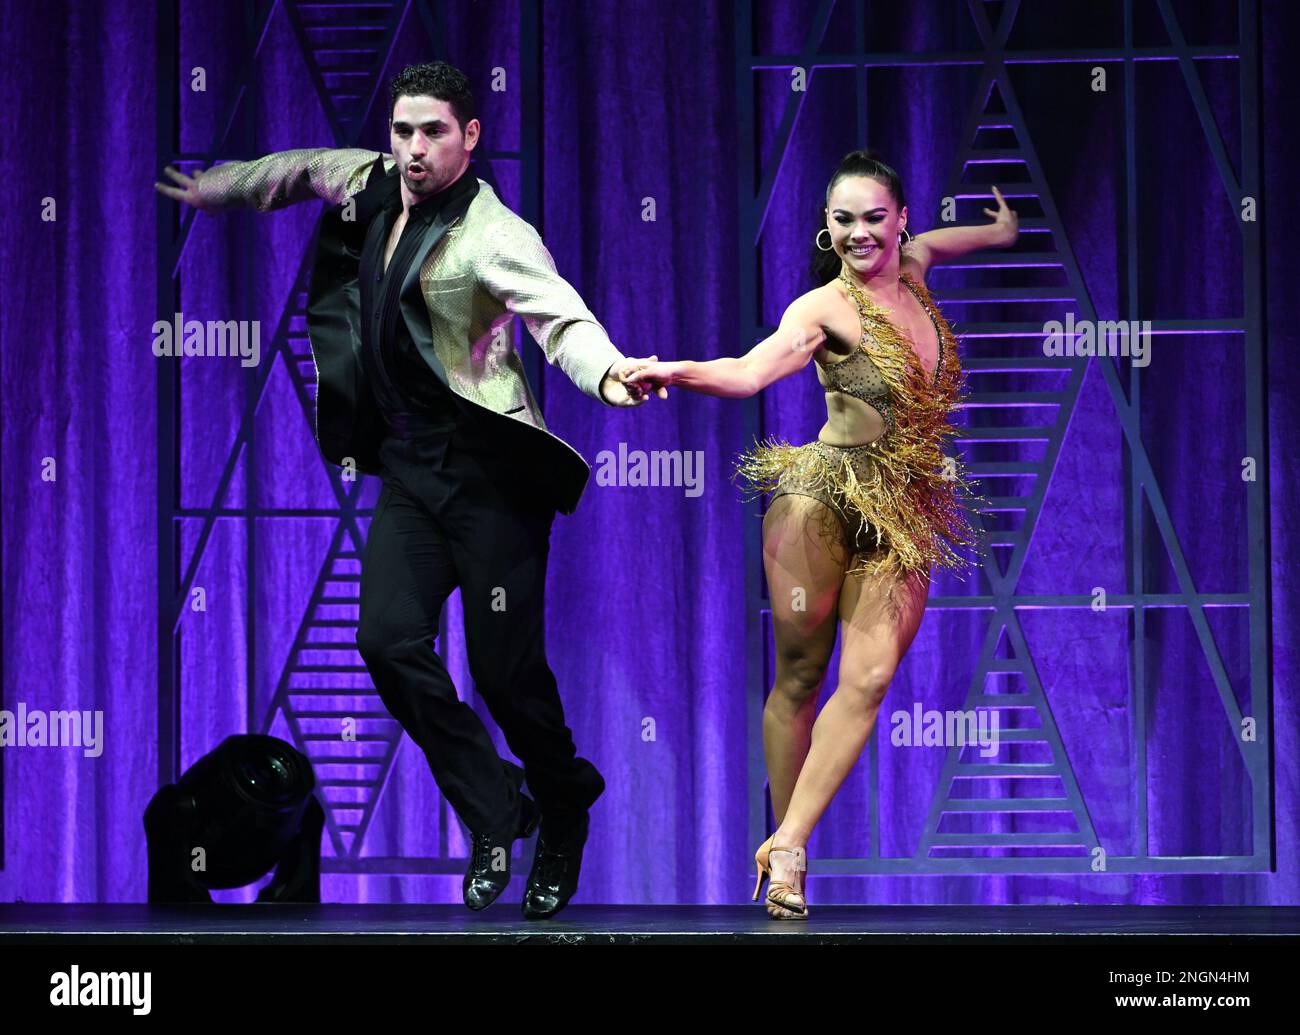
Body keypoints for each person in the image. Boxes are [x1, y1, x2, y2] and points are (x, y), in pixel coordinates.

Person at [156, 61, 663, 919]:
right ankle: (497, 806)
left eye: (433, 132)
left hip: (491, 479)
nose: (414, 148)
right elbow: (297, 169)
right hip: (413, 471)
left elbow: (558, 318)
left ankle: (563, 798)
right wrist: (220, 189)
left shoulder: (494, 233)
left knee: (506, 679)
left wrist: (610, 372)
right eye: (402, 131)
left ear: (469, 136)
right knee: (388, 639)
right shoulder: (371, 183)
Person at [625, 150, 1017, 918]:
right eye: (844, 220)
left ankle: (788, 842)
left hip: (904, 508)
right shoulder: (822, 309)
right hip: (823, 502)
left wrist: (998, 233)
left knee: (868, 681)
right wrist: (671, 369)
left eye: (876, 217)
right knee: (802, 679)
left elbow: (945, 241)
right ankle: (787, 852)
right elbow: (746, 372)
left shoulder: (918, 266)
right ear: (826, 226)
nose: (860, 233)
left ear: (902, 221)